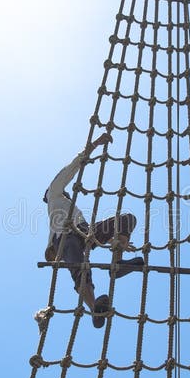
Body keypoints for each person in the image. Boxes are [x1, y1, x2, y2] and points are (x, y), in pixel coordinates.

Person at [44, 133, 143, 328]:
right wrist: (95, 144)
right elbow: (71, 169)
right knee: (80, 270)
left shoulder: (68, 205)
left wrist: (118, 241)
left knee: (125, 221)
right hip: (65, 236)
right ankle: (94, 308)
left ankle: (118, 264)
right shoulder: (54, 193)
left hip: (83, 232)